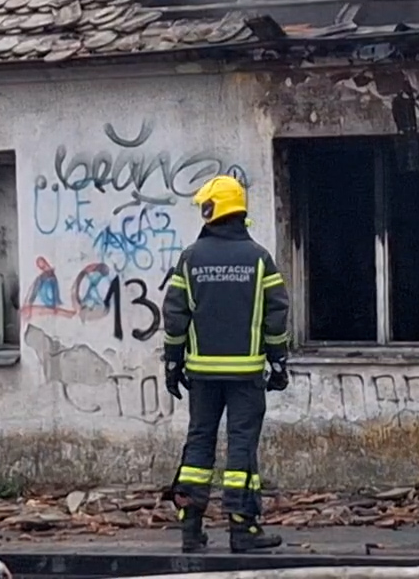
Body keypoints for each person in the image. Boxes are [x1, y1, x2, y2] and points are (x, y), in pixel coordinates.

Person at [162, 174, 290, 553]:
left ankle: (190, 527)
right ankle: (242, 527)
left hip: (201, 375)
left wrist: (172, 363)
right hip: (246, 375)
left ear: (211, 209)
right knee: (241, 447)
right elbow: (276, 314)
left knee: (199, 443)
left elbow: (175, 316)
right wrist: (278, 362)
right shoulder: (259, 259)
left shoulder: (190, 259)